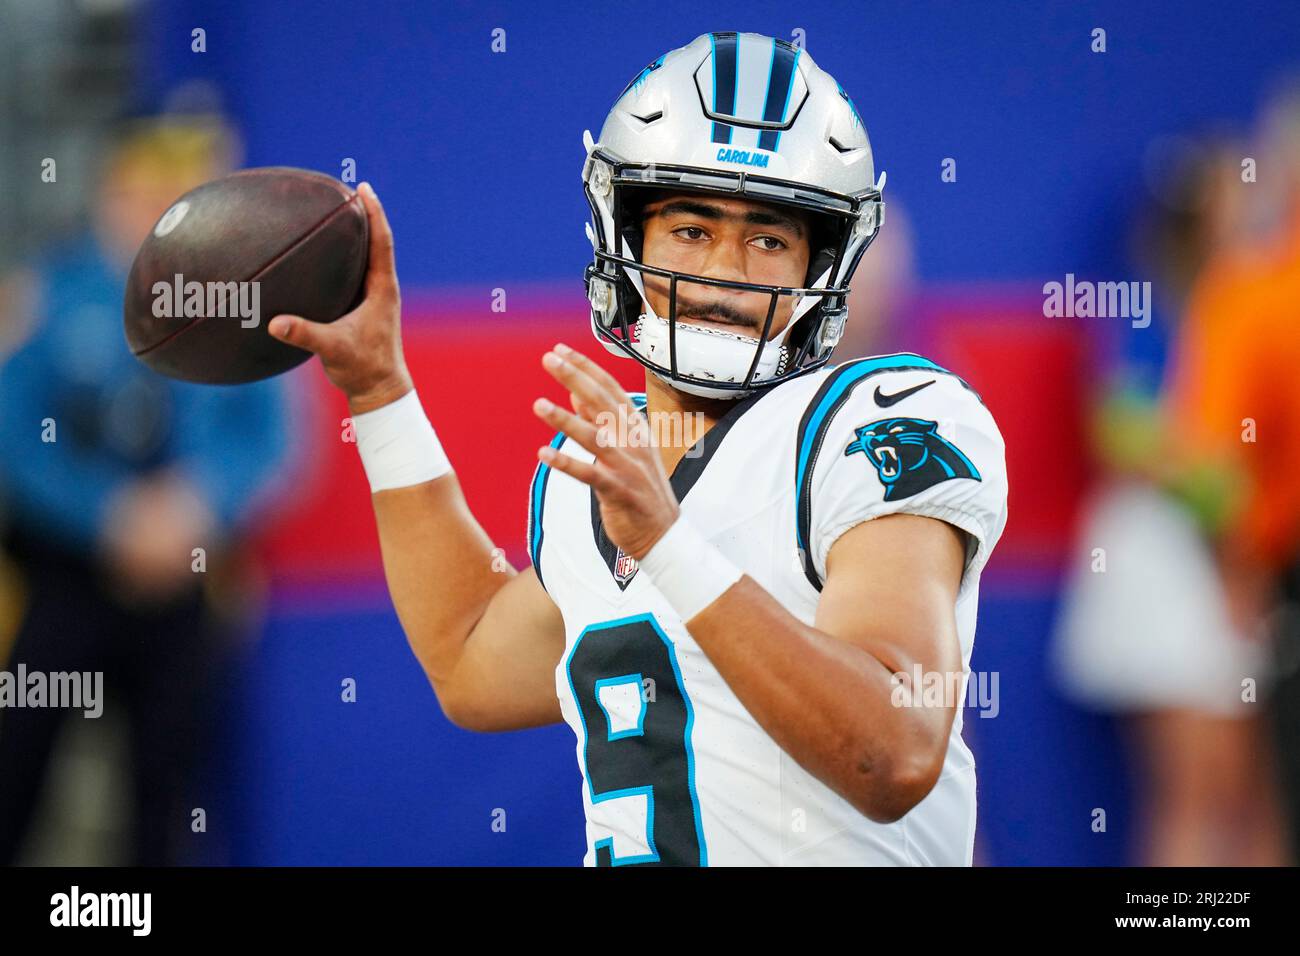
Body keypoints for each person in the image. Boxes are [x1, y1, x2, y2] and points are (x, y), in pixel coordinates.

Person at [268, 32, 1009, 866]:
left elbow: (897, 749)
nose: (727, 272)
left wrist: (668, 544)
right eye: (690, 230)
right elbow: (471, 661)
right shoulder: (602, 462)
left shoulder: (878, 420)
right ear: (625, 236)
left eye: (769, 239)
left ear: (821, 266)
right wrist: (379, 395)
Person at [0, 115, 293, 865]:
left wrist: (197, 504)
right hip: (64, 582)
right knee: (15, 770)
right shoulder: (49, 293)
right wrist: (108, 517)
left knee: (165, 797)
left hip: (185, 585)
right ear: (111, 190)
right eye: (146, 188)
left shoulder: (242, 303)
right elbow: (15, 435)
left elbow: (272, 439)